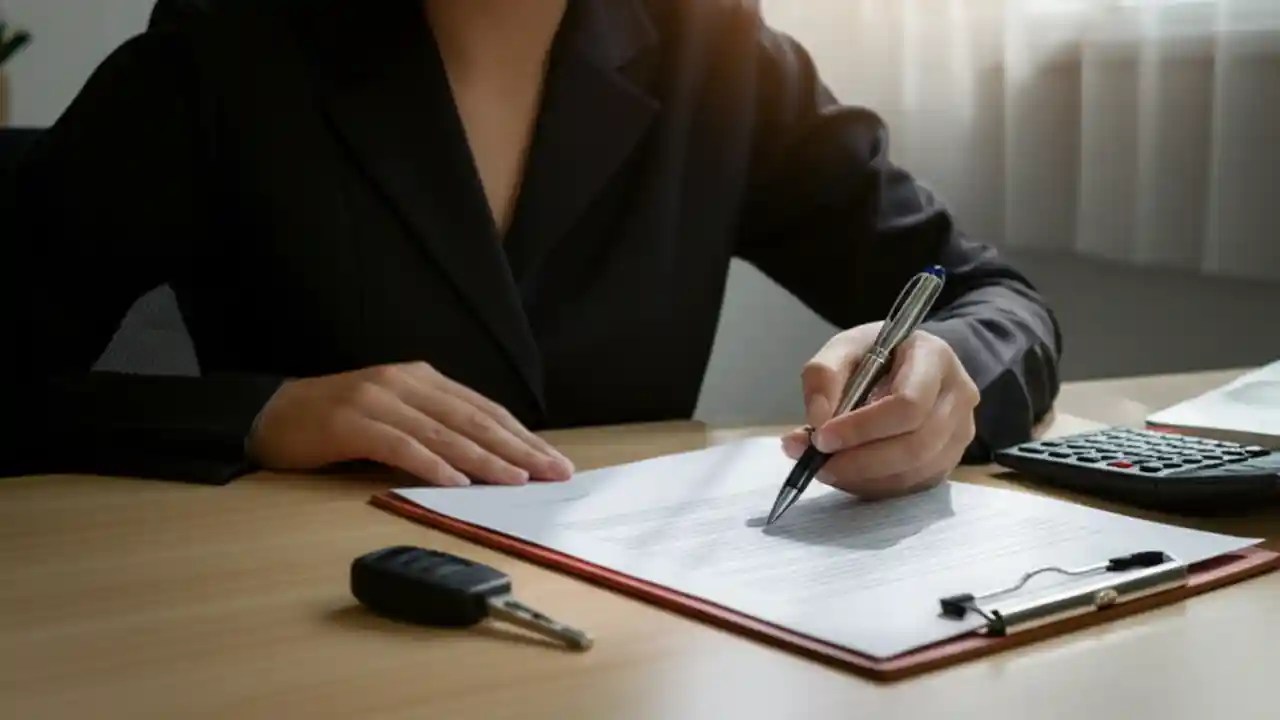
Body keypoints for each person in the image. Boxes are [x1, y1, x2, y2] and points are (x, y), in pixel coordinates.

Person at [1, 0, 1061, 499]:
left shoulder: (716, 49)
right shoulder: (221, 50)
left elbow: (988, 297)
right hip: (311, 638)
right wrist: (262, 412)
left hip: (634, 639)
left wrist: (945, 376)